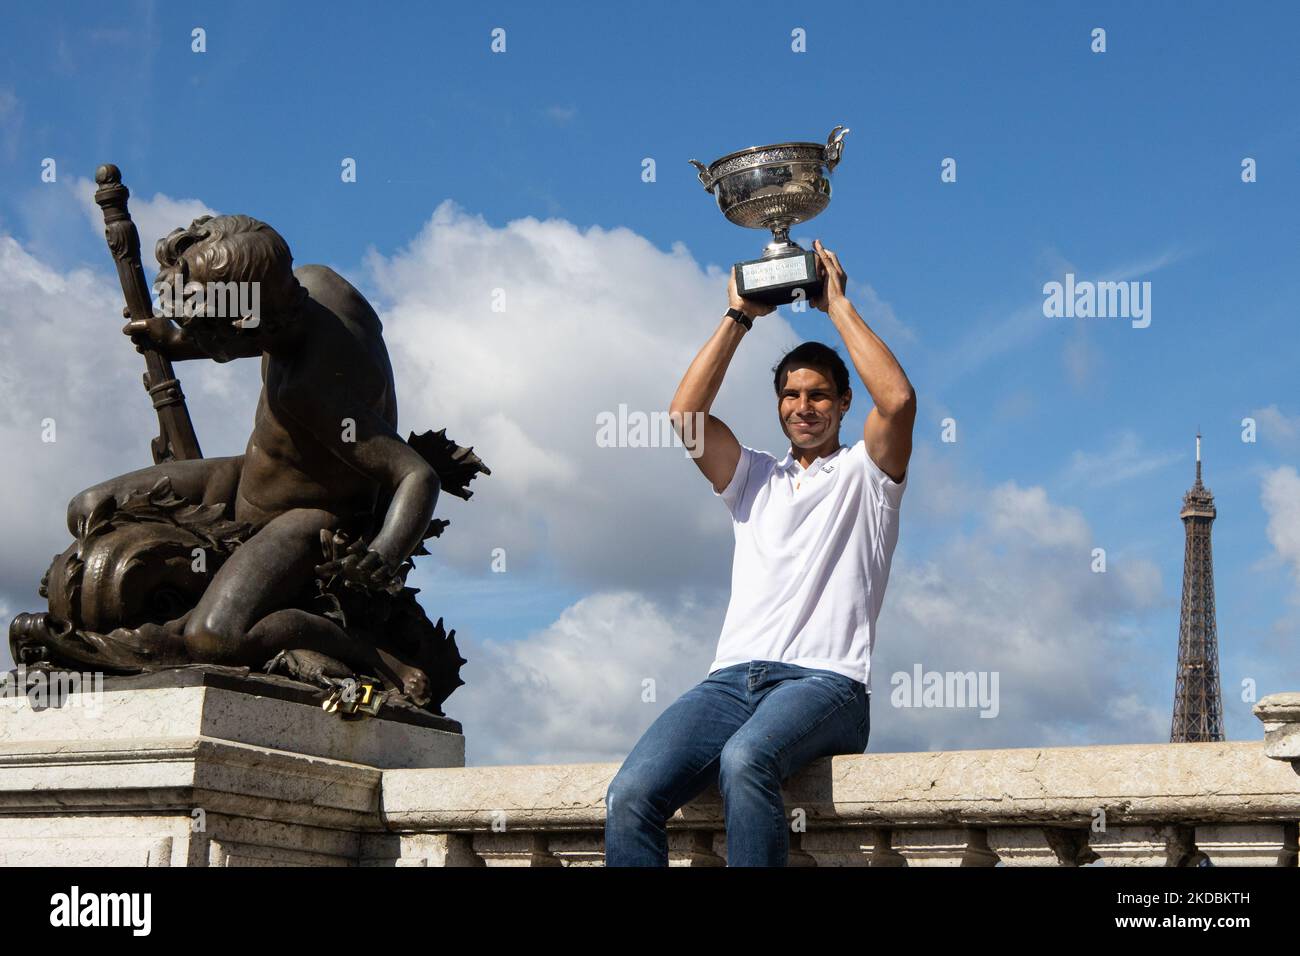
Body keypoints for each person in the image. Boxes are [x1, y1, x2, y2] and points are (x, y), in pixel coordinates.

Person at [604, 239, 916, 866]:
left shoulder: (867, 472)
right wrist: (738, 316)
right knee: (629, 793)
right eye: (792, 395)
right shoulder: (752, 477)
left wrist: (836, 306)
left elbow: (900, 401)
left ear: (843, 403)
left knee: (747, 760)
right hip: (729, 683)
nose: (805, 407)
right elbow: (685, 415)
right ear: (778, 405)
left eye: (821, 395)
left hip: (828, 684)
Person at [63, 215, 439, 701]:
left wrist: (384, 555)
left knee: (213, 638)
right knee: (89, 507)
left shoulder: (311, 392)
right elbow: (262, 329)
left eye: (206, 333)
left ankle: (364, 652)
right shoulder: (309, 286)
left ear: (244, 325)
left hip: (307, 519)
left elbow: (415, 473)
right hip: (243, 474)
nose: (199, 340)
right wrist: (174, 342)